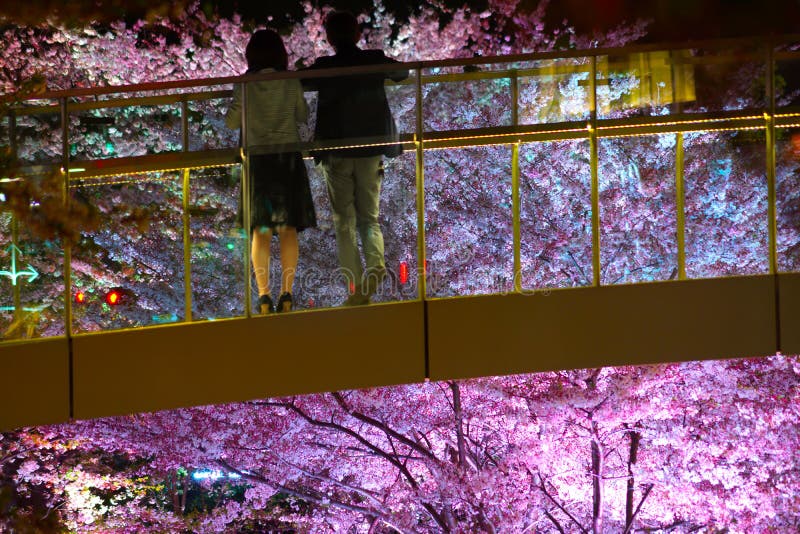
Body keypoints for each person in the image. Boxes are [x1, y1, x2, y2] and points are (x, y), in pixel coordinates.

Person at [303, 11, 408, 306]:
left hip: (337, 150)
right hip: (370, 147)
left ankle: (354, 284)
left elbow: (299, 83)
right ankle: (374, 269)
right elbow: (404, 73)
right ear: (358, 35)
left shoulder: (325, 66)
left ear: (329, 38)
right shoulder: (372, 59)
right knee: (369, 218)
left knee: (343, 221)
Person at [226, 29, 317, 314]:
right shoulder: (289, 80)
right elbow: (302, 115)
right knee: (288, 228)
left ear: (250, 54)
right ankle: (286, 293)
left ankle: (264, 296)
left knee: (261, 230)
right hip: (287, 158)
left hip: (257, 161)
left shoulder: (244, 83)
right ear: (281, 54)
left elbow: (231, 122)